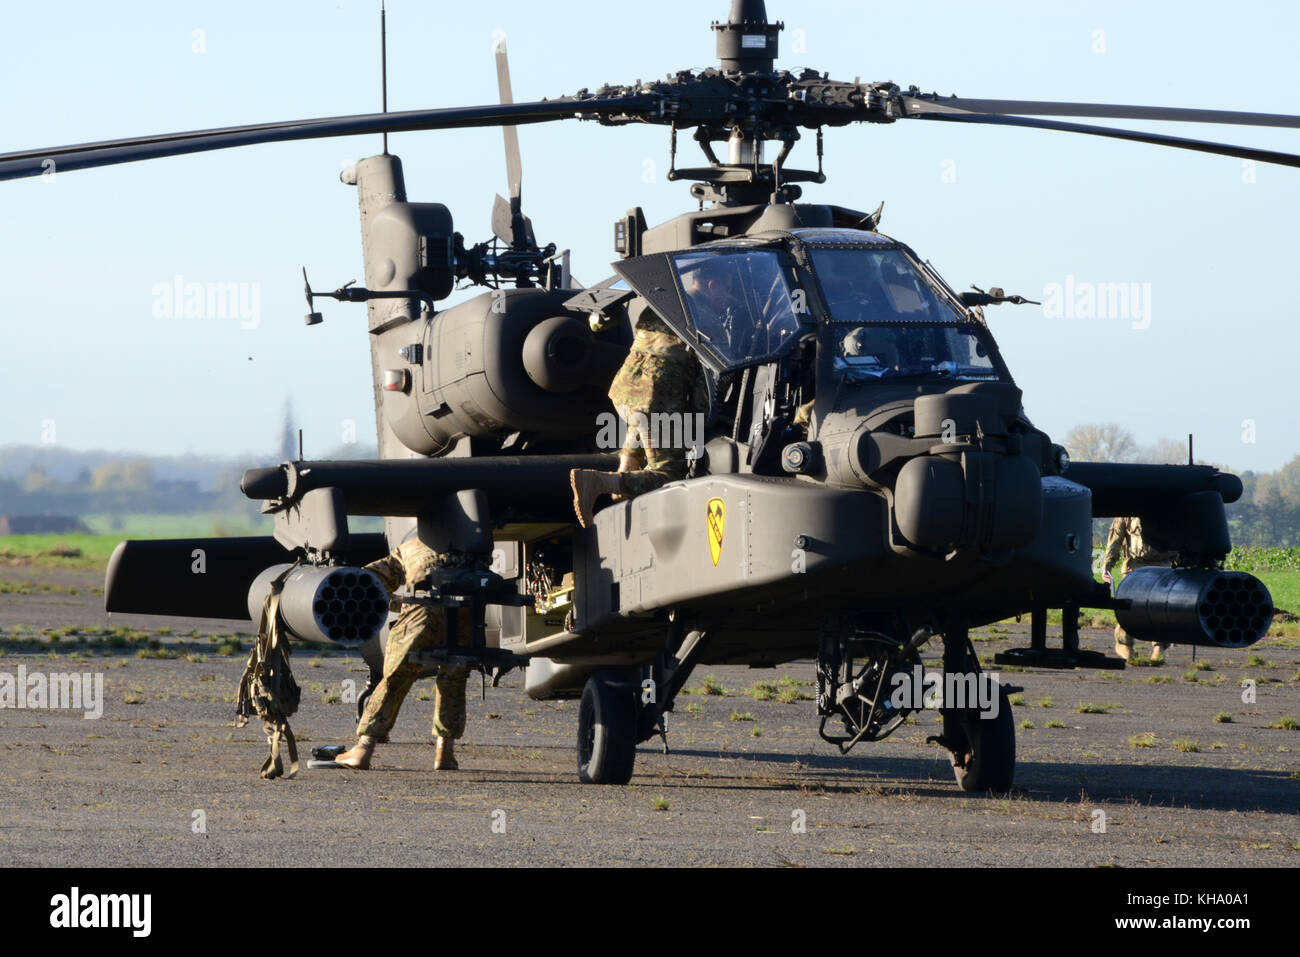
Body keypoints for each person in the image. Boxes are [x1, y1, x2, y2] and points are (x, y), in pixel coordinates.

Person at [334, 536, 478, 770]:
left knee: (395, 678)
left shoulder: (411, 547)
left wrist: (395, 602)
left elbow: (369, 580)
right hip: (464, 615)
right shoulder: (469, 544)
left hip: (421, 615)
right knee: (454, 678)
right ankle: (445, 752)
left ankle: (363, 749)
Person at [570, 308, 704, 528]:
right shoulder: (705, 318)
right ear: (711, 285)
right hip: (659, 393)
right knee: (669, 474)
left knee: (640, 426)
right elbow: (704, 382)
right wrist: (700, 419)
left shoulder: (660, 300)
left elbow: (596, 324)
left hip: (626, 388)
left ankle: (621, 484)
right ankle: (599, 482)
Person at [1101, 515, 1178, 662]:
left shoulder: (1171, 510)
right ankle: (1124, 644)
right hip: (1134, 568)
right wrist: (1107, 567)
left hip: (1163, 568)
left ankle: (1159, 646)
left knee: (1161, 610)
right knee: (1128, 609)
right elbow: (1115, 540)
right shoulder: (1127, 514)